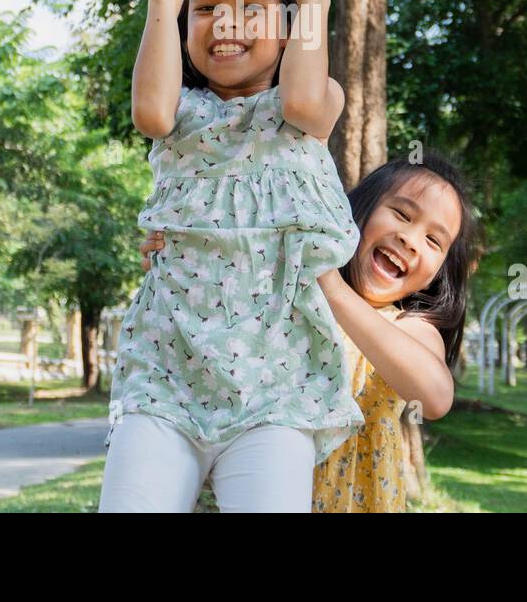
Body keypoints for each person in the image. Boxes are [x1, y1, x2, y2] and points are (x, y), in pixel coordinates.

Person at [97, 0, 366, 513]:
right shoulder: (179, 112)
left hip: (276, 384)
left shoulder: (308, 110)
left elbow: (300, 97)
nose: (226, 22)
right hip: (167, 372)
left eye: (253, 8)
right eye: (207, 6)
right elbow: (147, 110)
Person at [141, 150, 479, 512]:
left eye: (433, 241)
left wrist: (332, 288)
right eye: (401, 214)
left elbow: (436, 397)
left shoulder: (409, 326)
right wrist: (175, 256)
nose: (411, 239)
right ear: (356, 211)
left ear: (438, 272)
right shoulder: (285, 292)